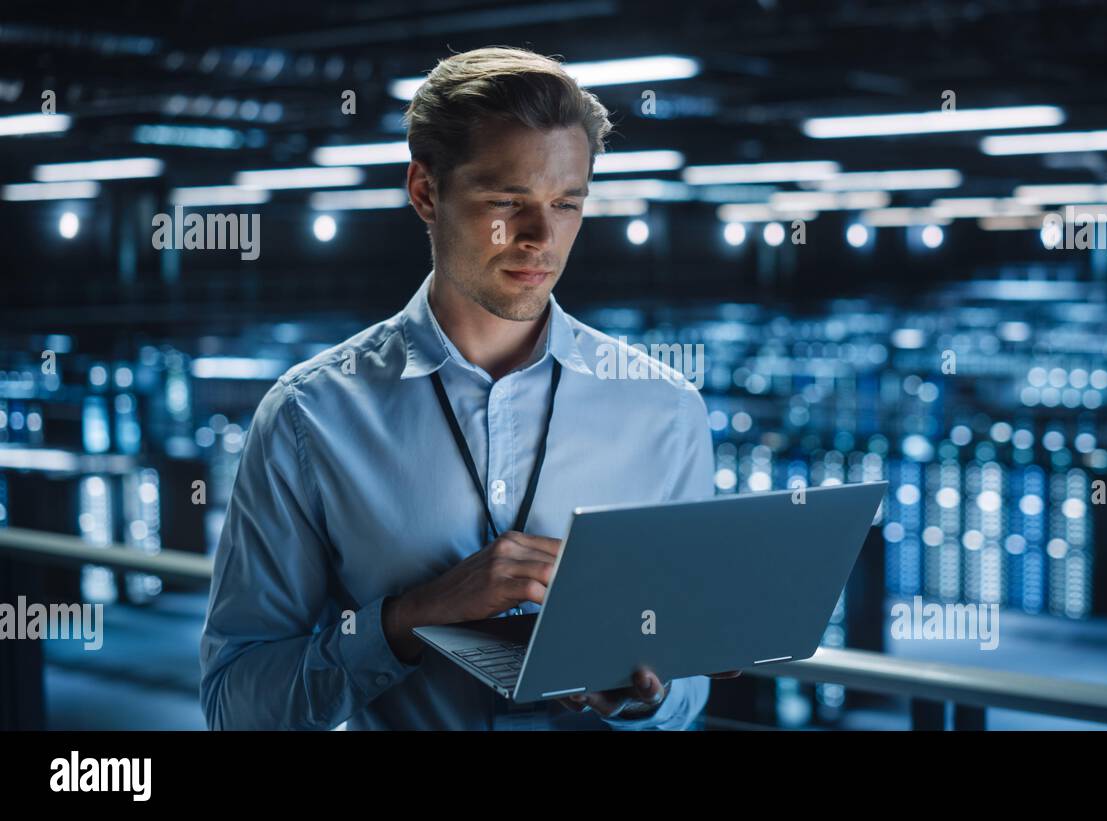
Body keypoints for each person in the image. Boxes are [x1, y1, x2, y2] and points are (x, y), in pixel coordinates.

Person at [199, 45, 735, 730]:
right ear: (426, 192)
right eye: (508, 201)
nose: (542, 237)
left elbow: (687, 690)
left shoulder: (664, 410)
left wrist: (648, 694)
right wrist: (406, 621)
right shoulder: (309, 417)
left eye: (567, 203)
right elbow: (235, 704)